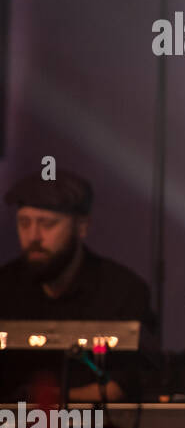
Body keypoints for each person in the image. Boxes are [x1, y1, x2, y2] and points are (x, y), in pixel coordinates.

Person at [0, 169, 155, 402]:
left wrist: (55, 401)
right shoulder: (5, 286)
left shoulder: (123, 290)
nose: (33, 236)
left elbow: (131, 382)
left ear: (82, 227)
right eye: (24, 223)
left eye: (47, 224)